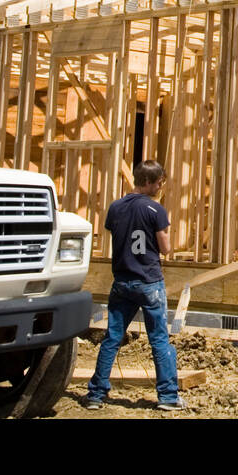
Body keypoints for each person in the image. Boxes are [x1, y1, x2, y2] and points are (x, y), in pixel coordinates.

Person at [83, 160, 181, 412]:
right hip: (149, 282)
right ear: (148, 182)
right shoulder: (155, 210)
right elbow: (166, 248)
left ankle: (95, 395)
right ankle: (168, 397)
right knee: (159, 339)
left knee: (112, 337)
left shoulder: (115, 207)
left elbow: (116, 237)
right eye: (159, 183)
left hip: (122, 281)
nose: (160, 187)